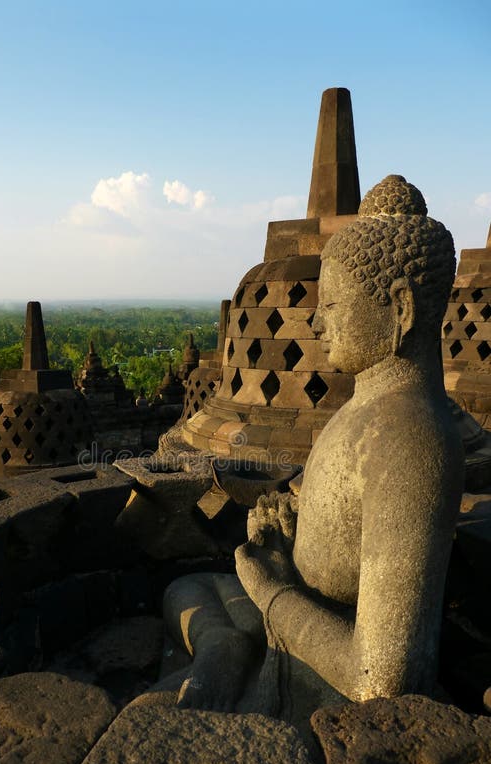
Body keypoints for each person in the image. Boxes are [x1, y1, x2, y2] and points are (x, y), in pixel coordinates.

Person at [163, 175, 464, 713]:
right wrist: (290, 528)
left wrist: (273, 594)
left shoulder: (411, 440)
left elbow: (383, 678)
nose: (318, 321)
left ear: (401, 308)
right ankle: (226, 647)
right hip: (297, 608)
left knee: (196, 608)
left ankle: (224, 665)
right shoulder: (364, 409)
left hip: (319, 689)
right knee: (187, 590)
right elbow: (345, 527)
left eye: (334, 304)